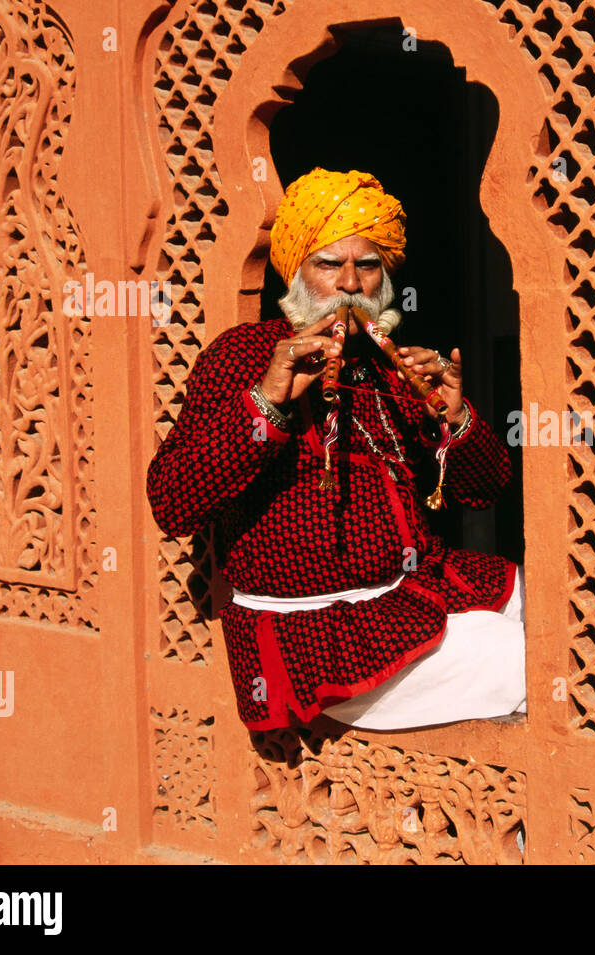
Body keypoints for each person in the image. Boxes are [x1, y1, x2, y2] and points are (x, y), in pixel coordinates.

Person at [146, 168, 525, 732]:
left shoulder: (389, 367)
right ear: (297, 271)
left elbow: (485, 489)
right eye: (329, 265)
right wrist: (269, 400)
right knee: (528, 661)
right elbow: (171, 505)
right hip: (313, 637)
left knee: (552, 612)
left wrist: (455, 416)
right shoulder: (242, 355)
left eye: (367, 265)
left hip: (409, 595)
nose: (351, 282)